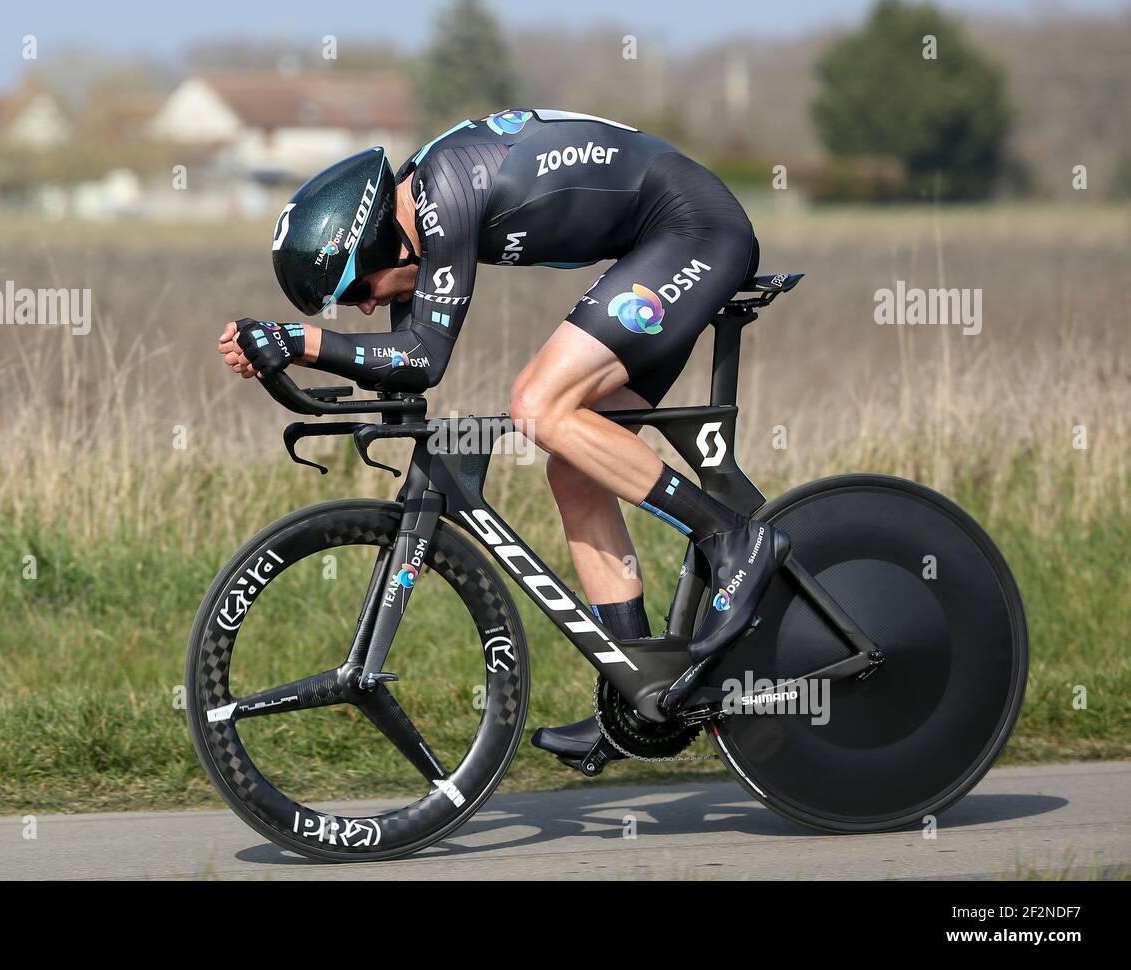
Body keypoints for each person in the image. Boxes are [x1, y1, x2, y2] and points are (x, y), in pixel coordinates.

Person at [218, 108, 789, 764]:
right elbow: (403, 364)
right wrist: (288, 355)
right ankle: (635, 690)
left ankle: (733, 537)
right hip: (662, 241)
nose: (368, 307)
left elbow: (422, 358)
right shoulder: (420, 215)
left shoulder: (446, 196)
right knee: (573, 466)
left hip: (695, 231)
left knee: (537, 406)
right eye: (355, 305)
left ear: (382, 243)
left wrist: (299, 340)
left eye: (360, 290)